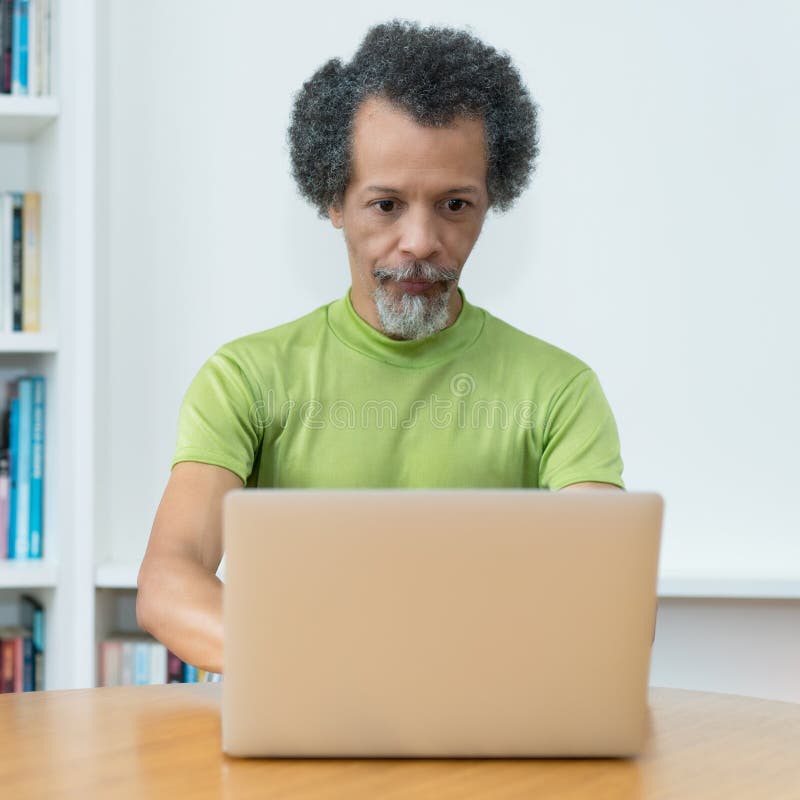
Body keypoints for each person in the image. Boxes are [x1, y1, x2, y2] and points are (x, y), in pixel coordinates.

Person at [137, 19, 626, 677]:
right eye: (387, 204)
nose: (421, 240)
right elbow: (169, 582)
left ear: (490, 203)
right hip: (301, 722)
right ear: (333, 201)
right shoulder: (245, 379)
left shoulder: (560, 390)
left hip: (486, 737)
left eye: (455, 204)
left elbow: (603, 597)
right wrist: (337, 671)